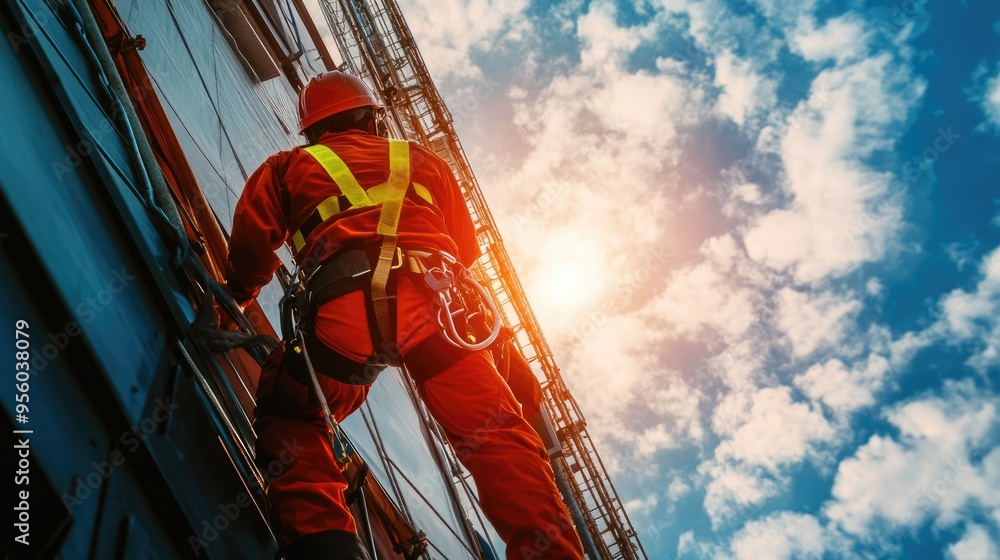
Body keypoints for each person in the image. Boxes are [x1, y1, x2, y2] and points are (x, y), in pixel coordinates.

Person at [225, 71, 584, 560]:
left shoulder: (289, 166)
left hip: (342, 308)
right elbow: (464, 247)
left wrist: (239, 296)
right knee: (497, 438)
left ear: (312, 132)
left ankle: (326, 548)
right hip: (440, 306)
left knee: (293, 415)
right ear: (374, 118)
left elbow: (252, 237)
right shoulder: (422, 161)